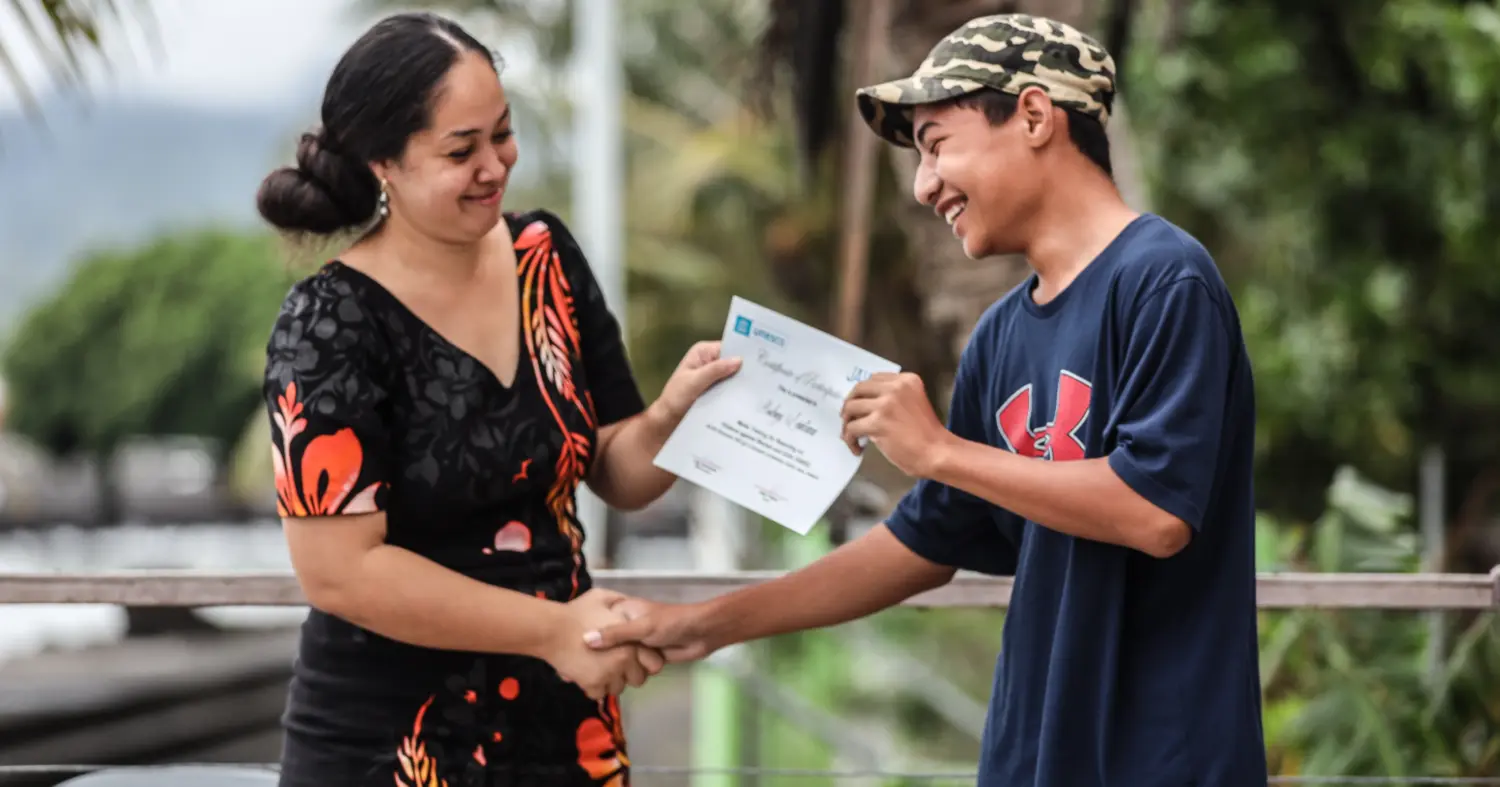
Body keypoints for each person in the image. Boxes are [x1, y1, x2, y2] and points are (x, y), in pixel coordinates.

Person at [584, 13, 1268, 787]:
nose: (922, 185)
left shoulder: (1165, 280)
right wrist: (702, 625)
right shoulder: (998, 336)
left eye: (937, 143)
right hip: (1029, 762)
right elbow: (925, 541)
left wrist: (941, 449)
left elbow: (1156, 512)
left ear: (1036, 116)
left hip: (1163, 763)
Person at [255, 12, 738, 787]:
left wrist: (674, 414)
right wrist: (555, 628)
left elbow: (622, 474)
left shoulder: (545, 256)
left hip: (564, 716)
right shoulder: (328, 322)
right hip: (395, 739)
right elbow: (340, 572)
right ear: (385, 161)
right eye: (461, 150)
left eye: (503, 134)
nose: (495, 166)